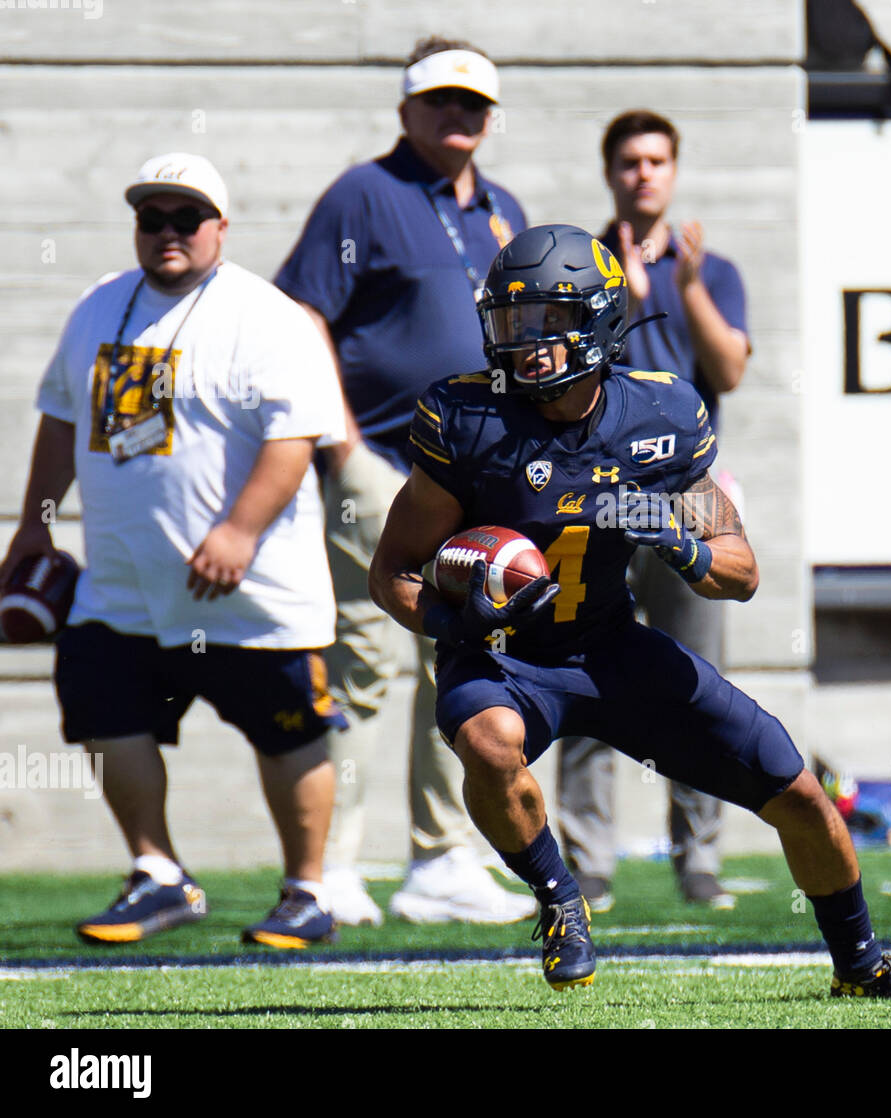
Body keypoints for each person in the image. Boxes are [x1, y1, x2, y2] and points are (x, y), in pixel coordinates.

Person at [369, 223, 891, 999]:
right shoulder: (467, 419)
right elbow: (392, 574)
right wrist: (456, 623)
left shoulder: (660, 415)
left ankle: (860, 962)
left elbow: (741, 572)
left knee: (800, 795)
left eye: (548, 321)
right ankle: (559, 899)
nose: (526, 344)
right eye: (512, 323)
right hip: (505, 655)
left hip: (612, 649)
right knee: (487, 740)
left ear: (599, 322)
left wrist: (686, 549)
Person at [0, 153, 349, 947]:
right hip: (124, 582)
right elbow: (62, 416)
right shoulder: (99, 308)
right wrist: (34, 523)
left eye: (185, 218)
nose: (167, 233)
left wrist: (240, 530)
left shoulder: (268, 316)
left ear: (220, 228)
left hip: (251, 590)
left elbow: (296, 438)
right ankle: (159, 874)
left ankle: (307, 891)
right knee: (100, 705)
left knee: (289, 731)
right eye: (151, 218)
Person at [274, 35, 534, 926]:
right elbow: (303, 311)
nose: (456, 114)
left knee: (457, 656)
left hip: (475, 472)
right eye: (440, 100)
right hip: (380, 462)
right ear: (406, 111)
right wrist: (341, 445)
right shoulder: (363, 194)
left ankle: (441, 859)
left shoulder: (500, 209)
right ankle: (334, 866)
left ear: (490, 118)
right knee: (369, 657)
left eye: (472, 103)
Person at [557, 110, 750, 911]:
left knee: (697, 677)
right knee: (578, 665)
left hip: (686, 488)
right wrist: (623, 302)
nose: (644, 175)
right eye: (630, 162)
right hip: (589, 491)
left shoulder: (712, 267)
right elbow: (566, 382)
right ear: (610, 173)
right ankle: (587, 860)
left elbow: (729, 370)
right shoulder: (573, 266)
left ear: (673, 172)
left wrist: (688, 289)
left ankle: (698, 857)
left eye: (657, 161)